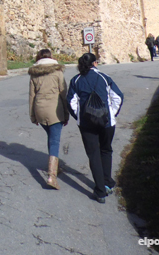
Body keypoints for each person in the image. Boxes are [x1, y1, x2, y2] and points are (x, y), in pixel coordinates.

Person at [66, 52, 124, 204]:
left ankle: (100, 192)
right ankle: (107, 182)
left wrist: (79, 117)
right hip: (107, 122)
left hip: (86, 124)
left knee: (93, 155)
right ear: (95, 63)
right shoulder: (104, 78)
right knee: (106, 150)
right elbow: (118, 97)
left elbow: (71, 102)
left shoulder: (76, 80)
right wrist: (112, 113)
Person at [28, 48, 68, 190]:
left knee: (51, 137)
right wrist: (67, 113)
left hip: (40, 109)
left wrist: (33, 115)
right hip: (54, 110)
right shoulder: (58, 72)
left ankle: (54, 167)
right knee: (55, 140)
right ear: (51, 57)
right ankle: (52, 176)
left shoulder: (34, 74)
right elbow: (64, 94)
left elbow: (32, 96)